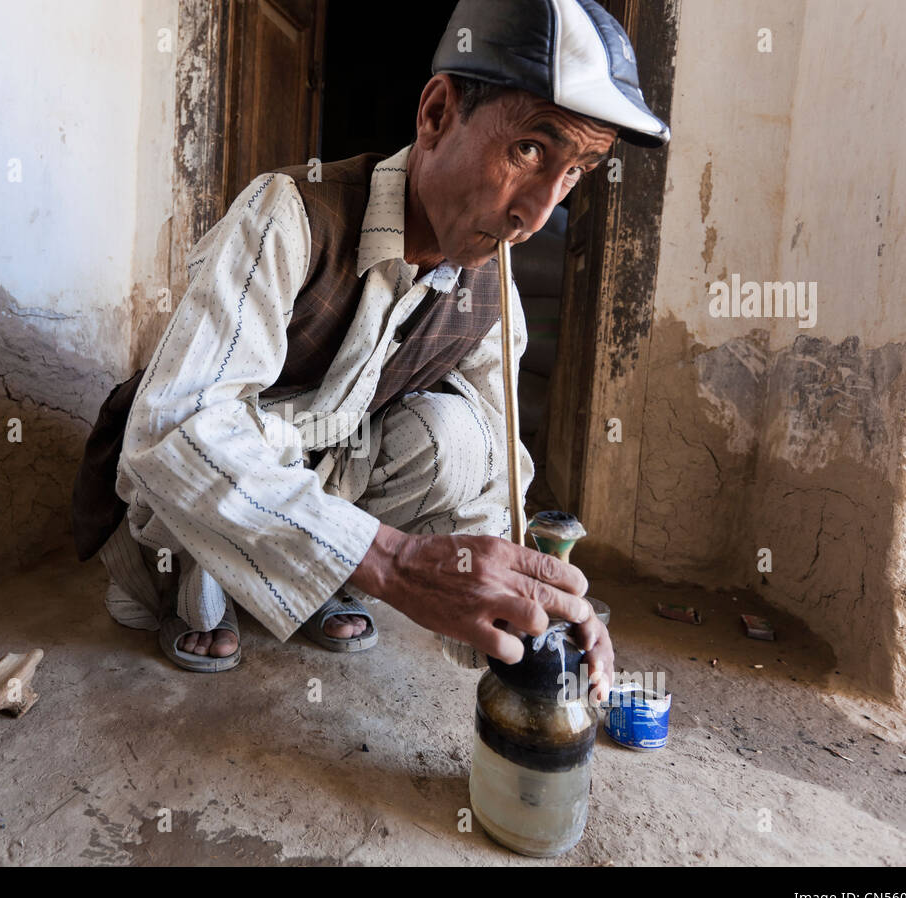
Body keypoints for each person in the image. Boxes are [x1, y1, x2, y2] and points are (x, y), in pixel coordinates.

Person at [72, 0, 669, 692]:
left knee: (463, 436)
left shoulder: (490, 294)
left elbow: (490, 489)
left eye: (575, 172)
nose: (537, 213)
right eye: (529, 151)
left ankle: (312, 573)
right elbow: (173, 429)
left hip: (319, 483)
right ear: (438, 114)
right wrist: (390, 561)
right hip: (173, 506)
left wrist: (530, 620)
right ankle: (218, 584)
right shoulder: (288, 213)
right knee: (223, 456)